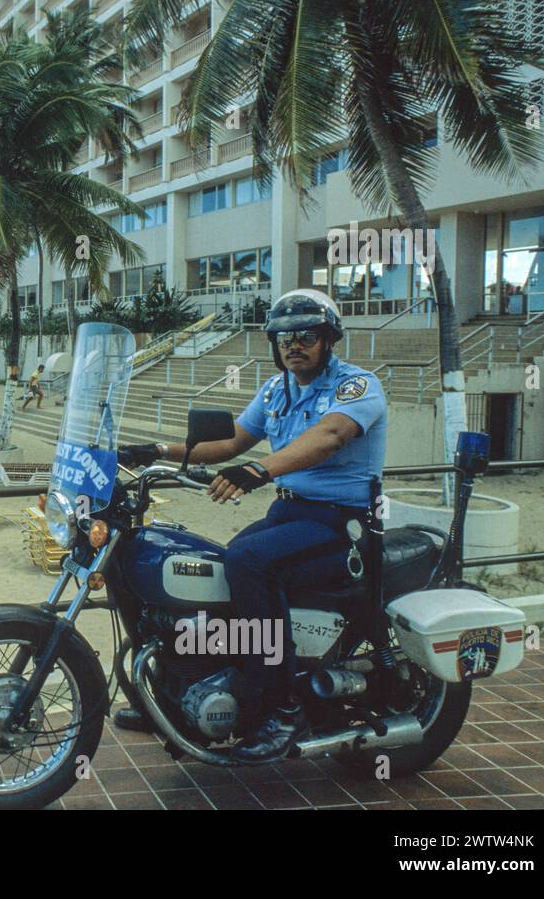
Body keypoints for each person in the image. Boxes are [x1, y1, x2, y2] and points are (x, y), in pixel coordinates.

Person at [114, 289, 386, 762]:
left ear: (329, 339)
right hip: (289, 513)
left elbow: (330, 436)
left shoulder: (357, 385)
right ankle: (186, 695)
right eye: (283, 337)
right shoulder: (275, 390)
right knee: (216, 568)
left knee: (247, 562)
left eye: (306, 335)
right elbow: (229, 443)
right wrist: (154, 451)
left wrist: (262, 470)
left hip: (341, 523)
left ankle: (282, 707)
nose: (293, 344)